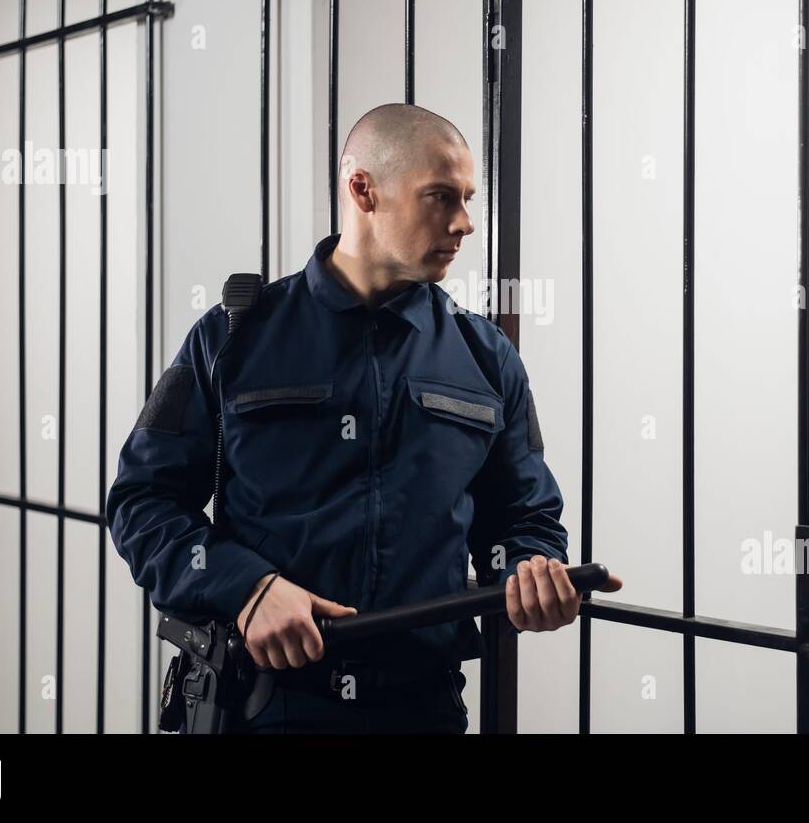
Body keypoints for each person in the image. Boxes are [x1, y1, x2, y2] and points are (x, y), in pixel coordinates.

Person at [106, 103, 623, 733]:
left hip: (421, 711)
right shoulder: (232, 337)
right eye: (440, 197)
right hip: (264, 709)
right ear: (362, 189)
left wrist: (528, 572)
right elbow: (142, 503)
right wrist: (245, 588)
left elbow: (524, 519)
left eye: (467, 199)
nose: (464, 223)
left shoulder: (487, 359)